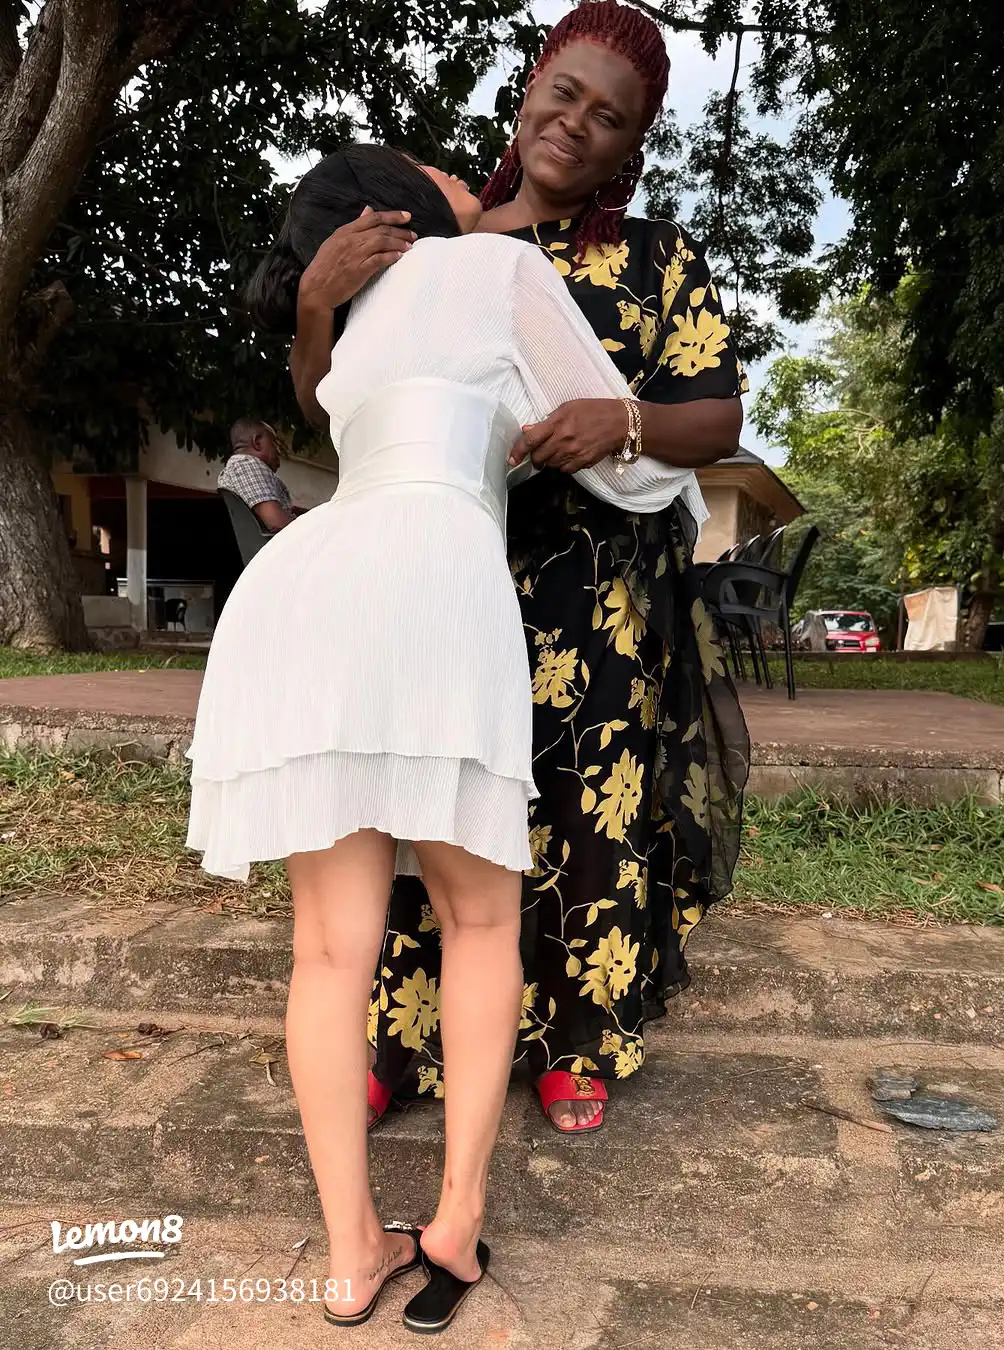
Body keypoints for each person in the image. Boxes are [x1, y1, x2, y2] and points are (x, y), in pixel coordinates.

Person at [187, 143, 706, 1332]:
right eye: (427, 162)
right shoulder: (494, 269)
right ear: (403, 208)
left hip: (308, 583)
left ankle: (349, 1254)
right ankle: (456, 1221)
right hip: (433, 582)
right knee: (480, 916)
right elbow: (627, 462)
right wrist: (655, 478)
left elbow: (338, 428)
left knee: (329, 951)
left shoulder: (349, 330)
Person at [290, 0, 750, 1136]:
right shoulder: (431, 244)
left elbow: (718, 417)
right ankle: (398, 1037)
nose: (577, 124)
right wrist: (313, 305)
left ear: (630, 146)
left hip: (593, 597)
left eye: (610, 117)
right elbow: (339, 410)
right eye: (565, 92)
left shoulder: (653, 260)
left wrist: (623, 421)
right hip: (447, 575)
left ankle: (573, 1042)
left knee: (587, 810)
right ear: (531, 86)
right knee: (421, 804)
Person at [218, 418, 296, 532]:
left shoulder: (240, 466)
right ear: (257, 442)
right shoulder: (247, 463)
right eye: (274, 443)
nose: (278, 451)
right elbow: (276, 522)